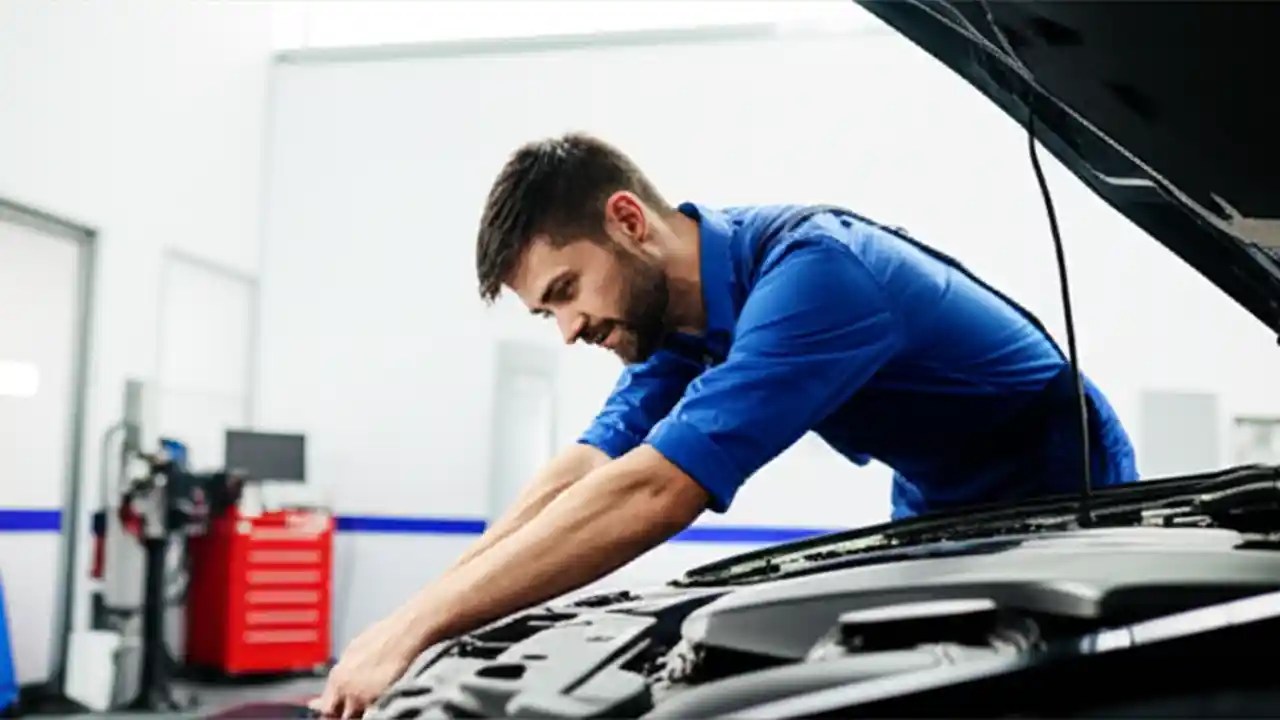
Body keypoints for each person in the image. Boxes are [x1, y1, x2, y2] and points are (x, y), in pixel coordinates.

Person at [310, 132, 1138, 717]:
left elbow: (657, 492)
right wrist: (412, 616)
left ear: (628, 221)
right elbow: (589, 468)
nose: (568, 329)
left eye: (567, 291)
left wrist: (420, 625)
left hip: (1060, 471)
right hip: (936, 494)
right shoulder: (677, 316)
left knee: (1044, 696)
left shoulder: (819, 273)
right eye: (545, 313)